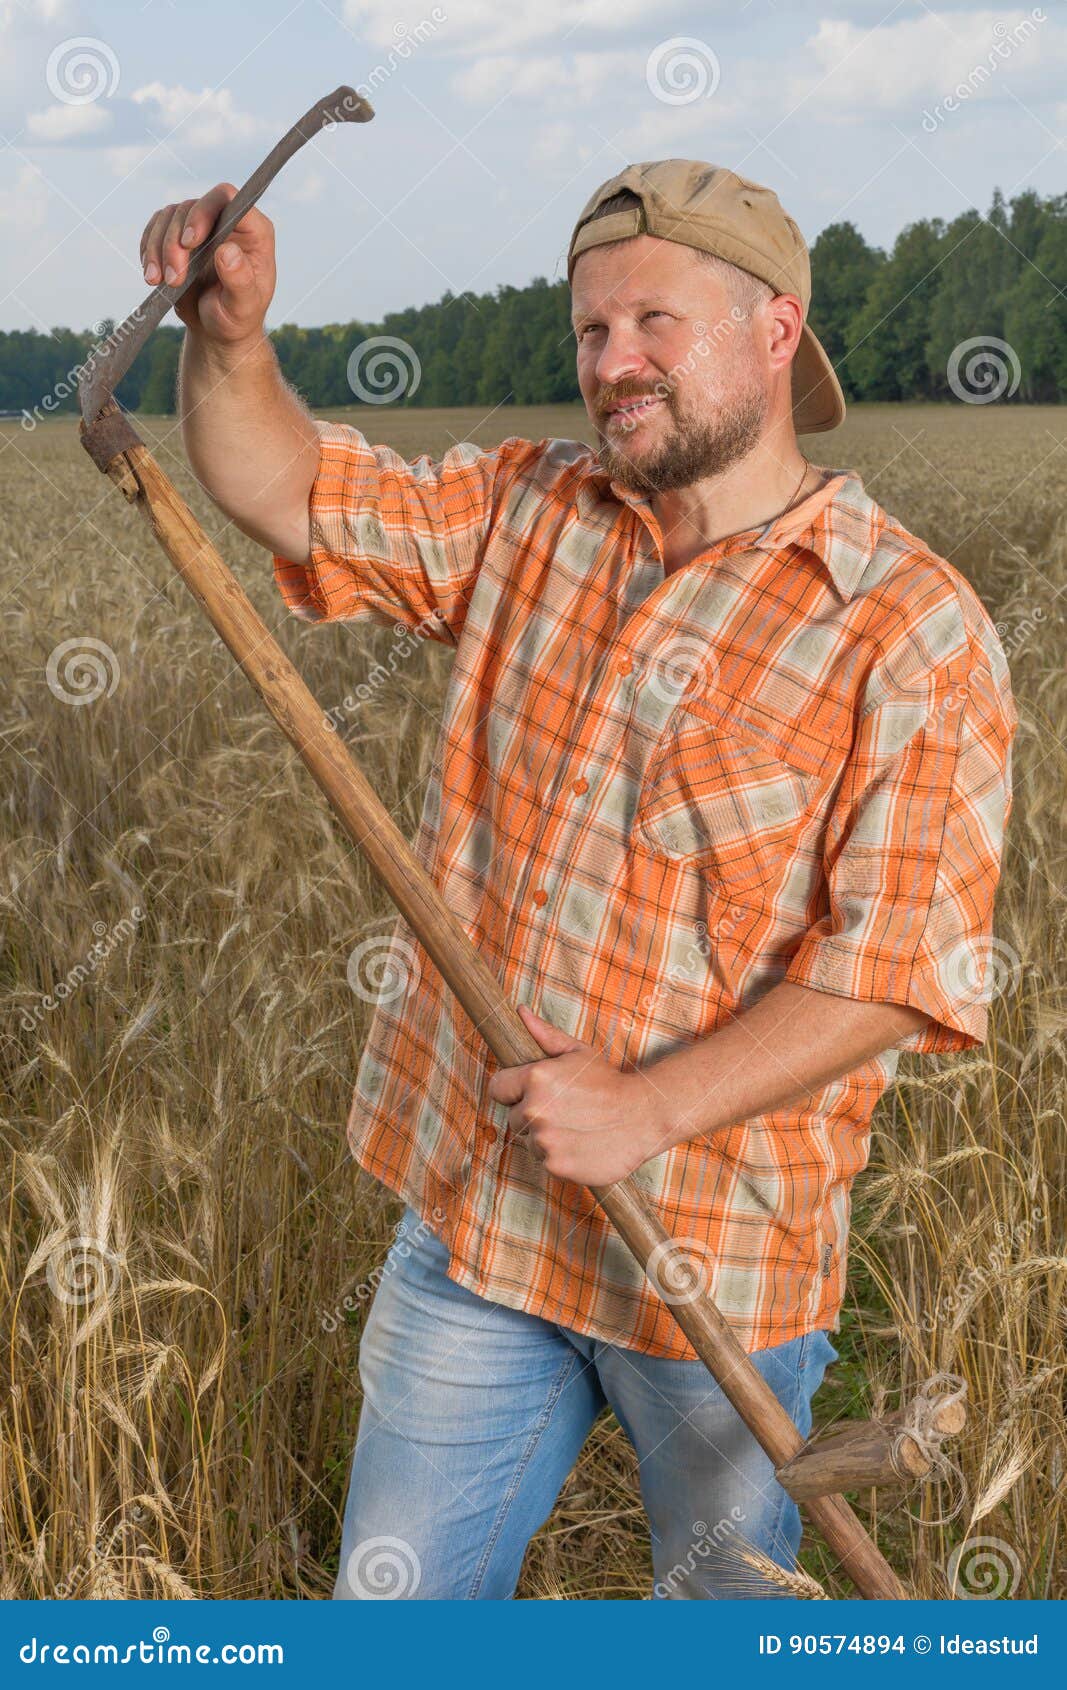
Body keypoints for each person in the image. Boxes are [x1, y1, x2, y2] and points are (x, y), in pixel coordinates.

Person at [140, 160, 1017, 1600]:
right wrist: (229, 340)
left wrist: (650, 1104)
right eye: (592, 332)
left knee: (723, 1628)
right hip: (479, 1233)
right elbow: (289, 491)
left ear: (777, 332)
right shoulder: (532, 514)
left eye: (655, 324)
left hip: (717, 1273)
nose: (614, 365)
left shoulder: (908, 631)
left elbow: (905, 965)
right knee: (394, 1615)